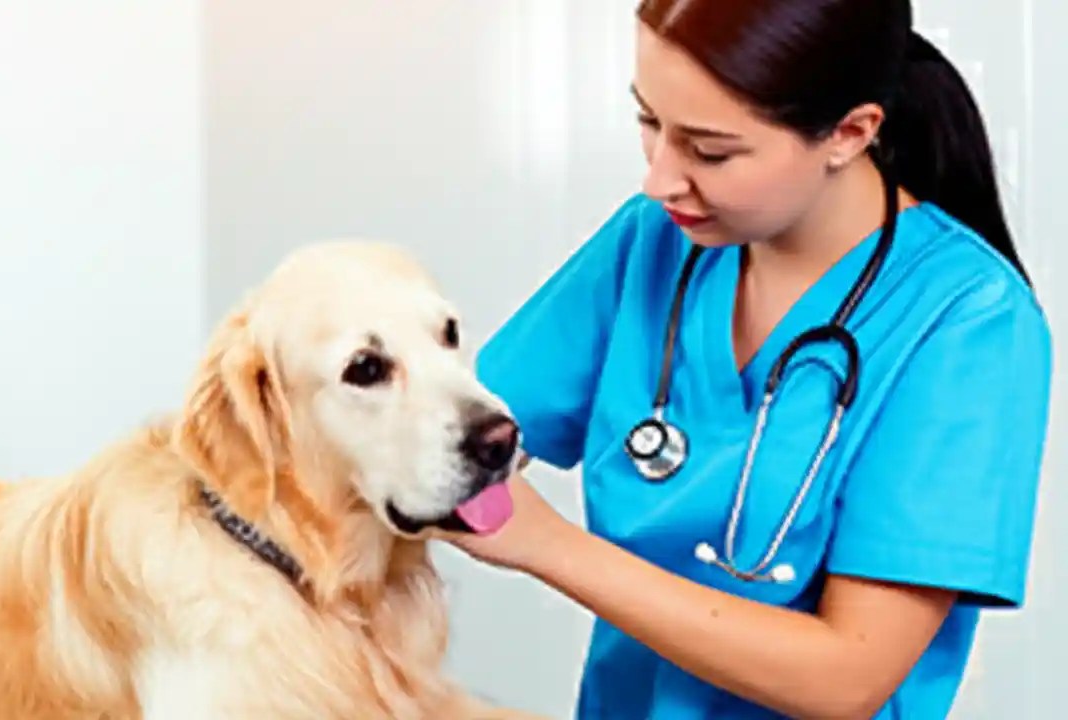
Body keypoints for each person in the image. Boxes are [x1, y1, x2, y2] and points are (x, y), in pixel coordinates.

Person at [442, 1, 1054, 718]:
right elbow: (454, 445)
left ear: (850, 133)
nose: (660, 179)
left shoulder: (966, 317)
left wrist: (549, 546)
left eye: (709, 151)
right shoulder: (653, 242)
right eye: (649, 123)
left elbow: (846, 677)